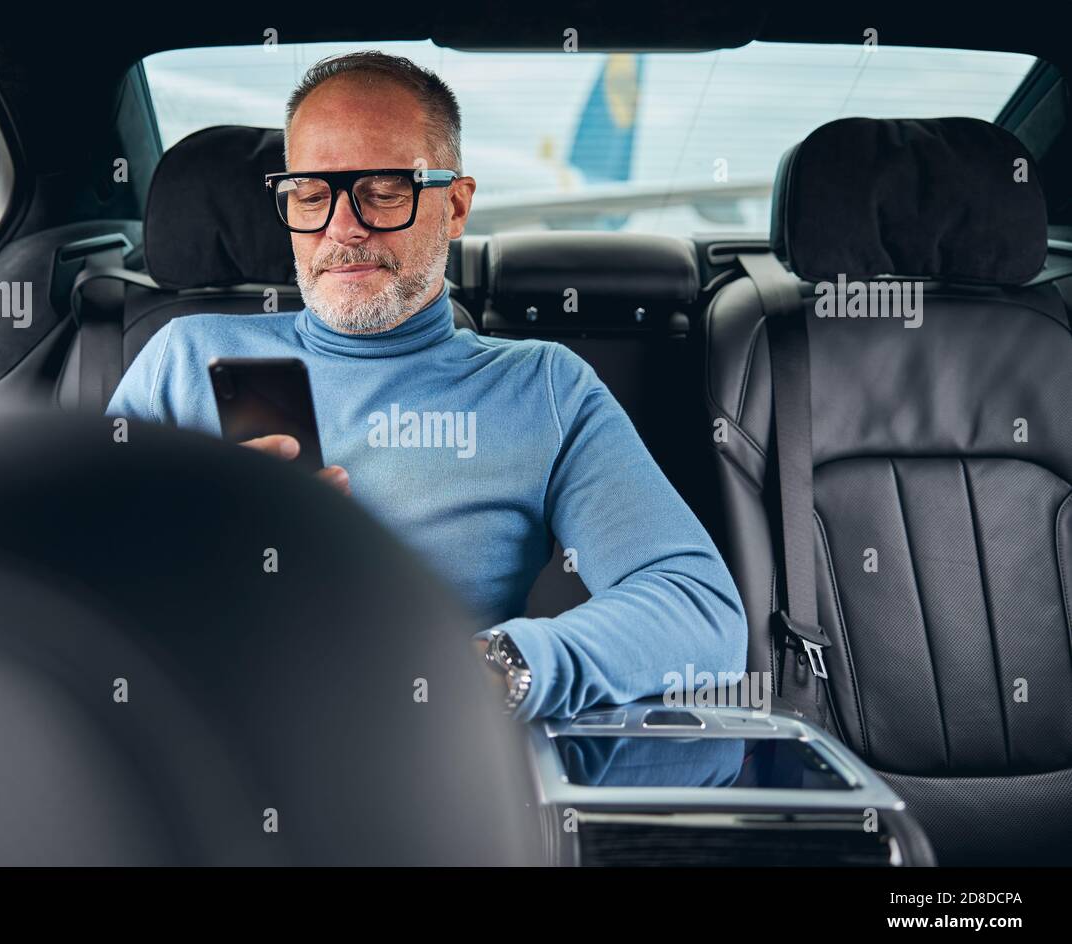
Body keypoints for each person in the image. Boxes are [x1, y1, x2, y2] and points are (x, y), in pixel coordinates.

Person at [108, 51, 747, 719]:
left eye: (384, 189)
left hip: (427, 762)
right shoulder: (181, 361)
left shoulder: (542, 388)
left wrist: (492, 671)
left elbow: (699, 611)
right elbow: (60, 590)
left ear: (456, 206)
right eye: (311, 193)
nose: (343, 227)